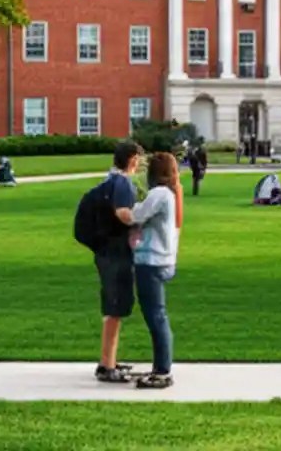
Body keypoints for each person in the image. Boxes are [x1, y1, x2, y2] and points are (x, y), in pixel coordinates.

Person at [118, 151, 181, 389]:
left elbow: (135, 216)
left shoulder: (159, 194)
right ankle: (160, 368)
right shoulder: (170, 194)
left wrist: (120, 210)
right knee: (157, 315)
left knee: (156, 316)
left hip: (152, 261)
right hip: (163, 260)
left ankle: (163, 371)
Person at [93, 141, 142, 383]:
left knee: (114, 308)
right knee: (115, 308)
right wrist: (142, 219)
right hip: (115, 252)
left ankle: (109, 360)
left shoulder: (110, 180)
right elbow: (122, 213)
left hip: (107, 250)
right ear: (132, 159)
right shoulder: (122, 183)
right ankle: (107, 366)